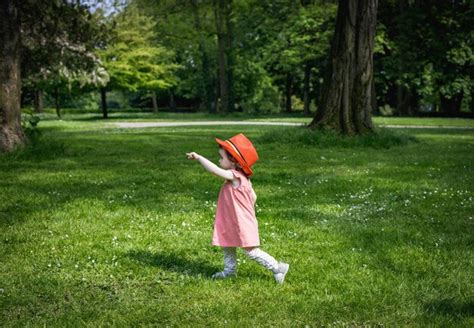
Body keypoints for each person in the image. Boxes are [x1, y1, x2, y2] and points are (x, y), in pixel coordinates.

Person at [186, 133, 289, 283]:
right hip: (232, 220)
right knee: (227, 244)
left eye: (222, 157)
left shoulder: (234, 177)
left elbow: (214, 170)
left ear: (234, 161)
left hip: (241, 221)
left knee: (250, 251)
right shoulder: (245, 179)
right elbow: (253, 197)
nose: (219, 160)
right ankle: (229, 271)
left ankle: (278, 268)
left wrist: (199, 157)